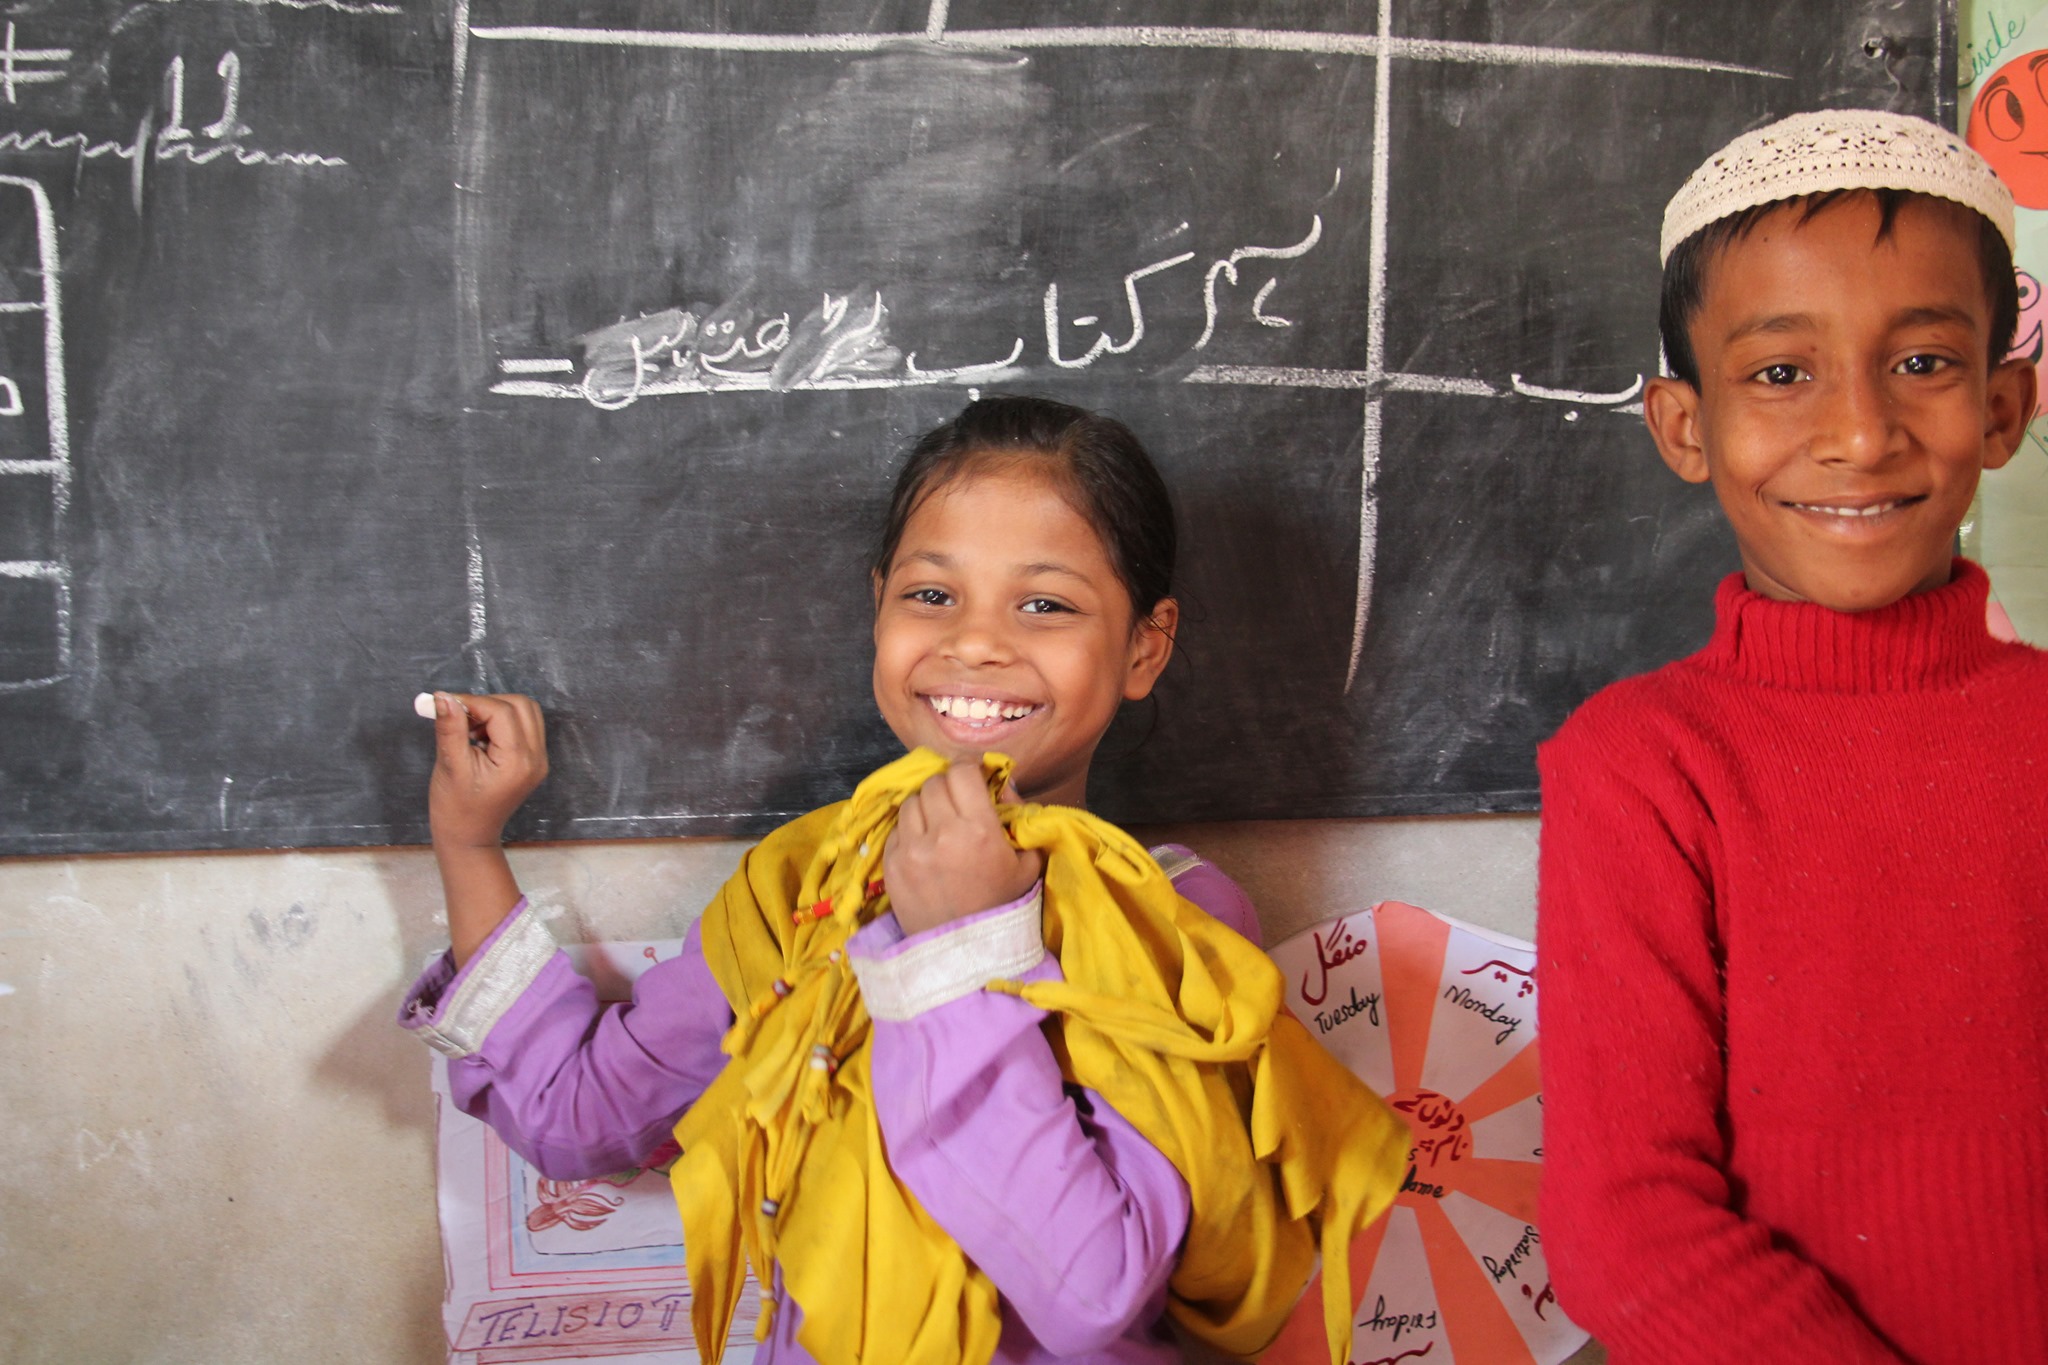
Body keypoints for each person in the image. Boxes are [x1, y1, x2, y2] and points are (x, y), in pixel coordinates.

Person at [400, 395, 1405, 1364]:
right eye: (931, 594)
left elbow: (1091, 1290)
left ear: (1143, 646)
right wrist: (470, 843)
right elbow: (582, 1114)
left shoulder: (1174, 919)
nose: (972, 642)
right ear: (877, 603)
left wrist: (962, 949)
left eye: (1045, 604)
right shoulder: (806, 887)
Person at [1536, 110, 2048, 1363]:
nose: (1860, 434)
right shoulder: (1639, 768)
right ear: (1683, 425)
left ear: (2000, 407)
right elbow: (1624, 1224)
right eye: (1779, 372)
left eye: (1920, 364)